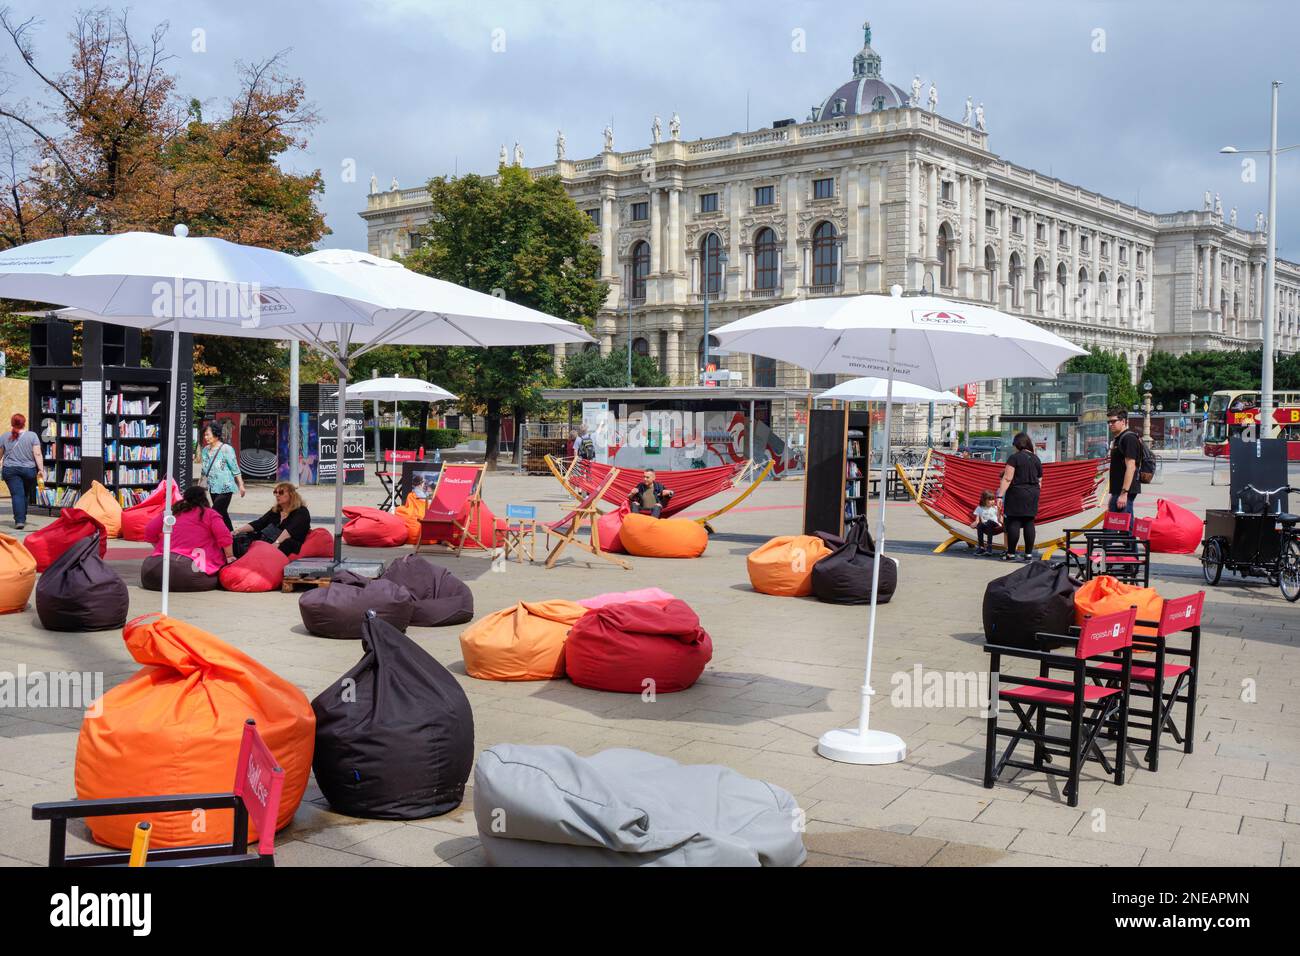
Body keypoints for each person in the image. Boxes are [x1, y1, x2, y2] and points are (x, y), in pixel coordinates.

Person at [144, 485, 235, 573]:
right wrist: (230, 556)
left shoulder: (171, 513)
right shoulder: (210, 514)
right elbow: (224, 537)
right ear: (204, 498)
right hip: (194, 568)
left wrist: (161, 548)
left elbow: (149, 530)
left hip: (158, 567)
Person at [996, 432, 1042, 561]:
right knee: (1029, 522)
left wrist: (1000, 496)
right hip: (1033, 492)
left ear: (1018, 444)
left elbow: (1007, 478)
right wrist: (1034, 494)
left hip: (1017, 492)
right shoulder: (1036, 458)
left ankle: (1011, 553)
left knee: (1014, 522)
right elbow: (1040, 480)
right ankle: (1028, 554)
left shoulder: (1014, 458)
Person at [234, 482, 312, 557]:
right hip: (269, 539)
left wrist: (276, 543)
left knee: (285, 543)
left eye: (281, 492)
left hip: (289, 543)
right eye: (275, 492)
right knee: (240, 537)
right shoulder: (276, 510)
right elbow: (259, 523)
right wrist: (238, 531)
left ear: (291, 495)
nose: (277, 495)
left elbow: (290, 530)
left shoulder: (301, 511)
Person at [0, 413, 46, 529]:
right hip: (29, 470)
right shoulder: (32, 436)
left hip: (10, 470)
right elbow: (37, 453)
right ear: (24, 423)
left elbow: (0, 455)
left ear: (12, 423)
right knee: (23, 494)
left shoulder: (4, 436)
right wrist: (41, 469)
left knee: (18, 494)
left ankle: (20, 519)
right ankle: (21, 518)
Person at [197, 423, 245, 531]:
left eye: (208, 435)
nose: (206, 438)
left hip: (226, 487)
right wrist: (200, 483)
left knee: (214, 511)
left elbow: (235, 468)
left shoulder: (226, 449)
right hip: (212, 487)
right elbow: (204, 469)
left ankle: (209, 536)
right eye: (205, 435)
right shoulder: (205, 450)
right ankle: (231, 535)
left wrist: (241, 485)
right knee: (222, 514)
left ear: (216, 434)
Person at [1107, 407, 1142, 515]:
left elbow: (1131, 467)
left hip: (1125, 490)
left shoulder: (1129, 438)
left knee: (1118, 527)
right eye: (1109, 422)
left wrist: (1124, 493)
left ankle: (1129, 533)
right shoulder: (1119, 438)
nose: (1110, 424)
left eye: (1113, 421)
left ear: (1123, 421)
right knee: (1122, 525)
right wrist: (1114, 494)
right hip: (1118, 490)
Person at [969, 490, 1003, 556]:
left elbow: (1000, 519)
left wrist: (999, 510)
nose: (993, 501)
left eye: (993, 499)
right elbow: (977, 520)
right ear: (984, 500)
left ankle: (989, 546)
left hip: (996, 526)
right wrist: (973, 524)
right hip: (987, 527)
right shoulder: (979, 508)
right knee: (980, 525)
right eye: (990, 500)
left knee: (989, 522)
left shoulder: (995, 508)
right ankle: (981, 547)